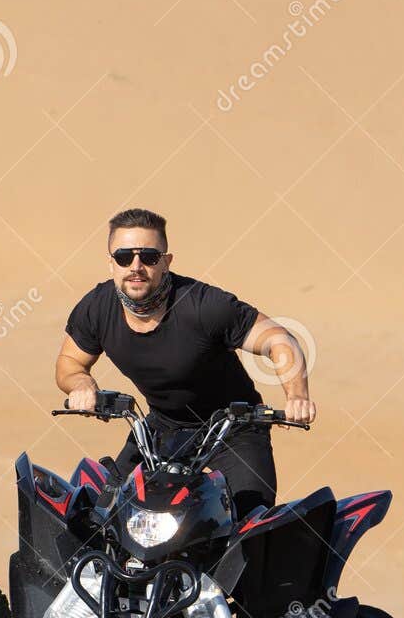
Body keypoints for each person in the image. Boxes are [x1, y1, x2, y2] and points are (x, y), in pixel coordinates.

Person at [53, 208, 315, 518]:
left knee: (248, 525)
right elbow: (69, 362)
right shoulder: (97, 308)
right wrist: (82, 384)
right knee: (101, 517)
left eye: (149, 257)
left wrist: (296, 396)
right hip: (163, 428)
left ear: (166, 262)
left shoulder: (203, 306)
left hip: (234, 428)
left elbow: (279, 340)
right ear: (111, 263)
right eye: (124, 257)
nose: (136, 267)